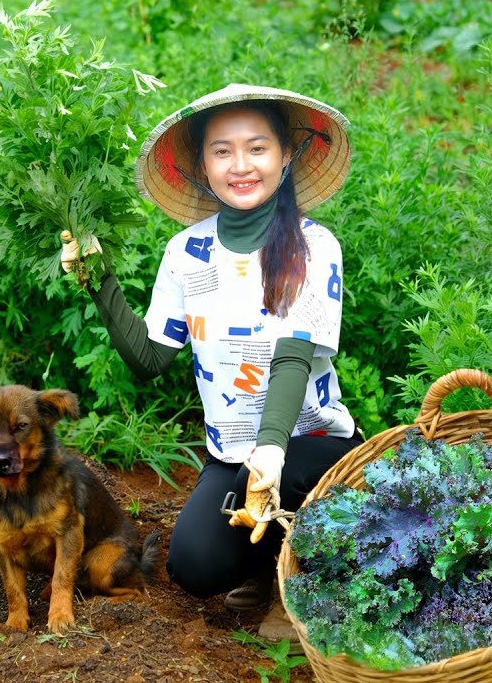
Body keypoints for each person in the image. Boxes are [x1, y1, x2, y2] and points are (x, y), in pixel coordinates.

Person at [60, 84, 360, 646]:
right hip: (235, 456)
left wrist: (270, 451)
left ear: (286, 155)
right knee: (194, 567)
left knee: (294, 475)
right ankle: (263, 560)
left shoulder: (314, 245)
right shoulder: (187, 252)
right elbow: (151, 358)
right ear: (201, 164)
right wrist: (96, 278)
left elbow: (294, 355)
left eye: (257, 148)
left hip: (307, 448)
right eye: (222, 151)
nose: (241, 166)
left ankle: (300, 587)